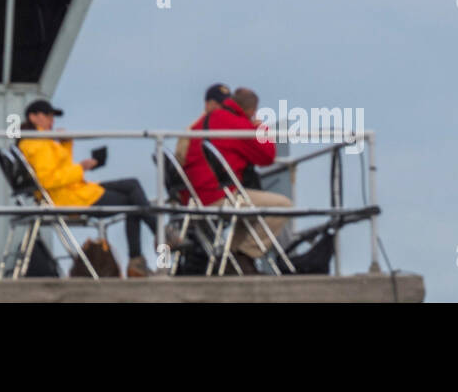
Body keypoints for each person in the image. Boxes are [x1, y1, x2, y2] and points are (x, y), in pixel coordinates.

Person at [18, 99, 158, 278]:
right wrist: (81, 168)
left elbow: (59, 170)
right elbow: (48, 180)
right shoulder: (36, 143)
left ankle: (149, 247)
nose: (51, 120)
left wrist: (65, 144)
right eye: (47, 115)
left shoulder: (42, 141)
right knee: (135, 199)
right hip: (71, 198)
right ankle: (149, 247)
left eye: (52, 116)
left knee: (133, 187)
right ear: (33, 117)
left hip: (75, 192)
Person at [178, 84, 292, 273]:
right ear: (252, 111)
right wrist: (260, 127)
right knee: (282, 205)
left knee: (244, 209)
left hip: (192, 198)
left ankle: (230, 258)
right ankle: (245, 256)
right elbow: (268, 156)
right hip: (217, 197)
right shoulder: (238, 125)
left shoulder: (204, 121)